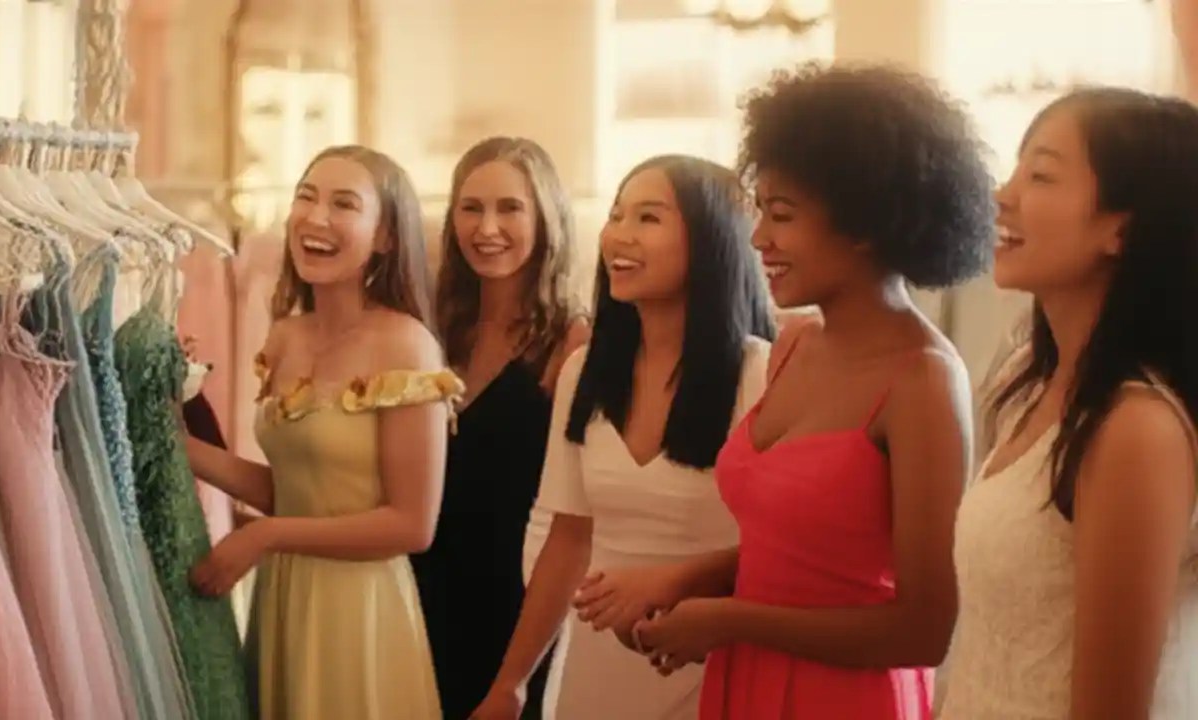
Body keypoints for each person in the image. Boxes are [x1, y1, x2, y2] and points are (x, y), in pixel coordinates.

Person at [576, 63, 994, 719]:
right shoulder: (795, 344)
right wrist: (685, 579)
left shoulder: (923, 381)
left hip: (847, 697)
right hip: (750, 678)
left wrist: (732, 619)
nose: (759, 238)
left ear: (863, 221)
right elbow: (805, 553)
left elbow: (924, 628)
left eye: (782, 215)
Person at [471, 154, 775, 720]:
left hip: (705, 656)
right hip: (595, 664)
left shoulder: (761, 374)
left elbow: (787, 548)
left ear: (711, 241)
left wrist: (673, 583)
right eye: (616, 215)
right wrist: (512, 683)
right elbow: (568, 538)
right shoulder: (584, 370)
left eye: (649, 218)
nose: (619, 237)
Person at [940, 88, 1198, 720]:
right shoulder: (1031, 378)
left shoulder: (1136, 428)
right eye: (1015, 169)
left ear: (1124, 227)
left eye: (1043, 175)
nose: (1003, 195)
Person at [184, 145, 462, 720]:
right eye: (305, 198)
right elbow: (292, 487)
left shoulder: (406, 345)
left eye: (343, 204)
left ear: (384, 237)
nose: (316, 218)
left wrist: (263, 538)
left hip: (358, 609)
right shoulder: (286, 336)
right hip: (284, 600)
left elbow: (412, 525)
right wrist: (176, 445)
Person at [411, 136, 589, 720]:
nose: (487, 227)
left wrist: (516, 676)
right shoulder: (427, 328)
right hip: (412, 593)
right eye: (471, 207)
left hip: (514, 611)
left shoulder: (574, 343)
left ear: (545, 219)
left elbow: (576, 525)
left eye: (510, 208)